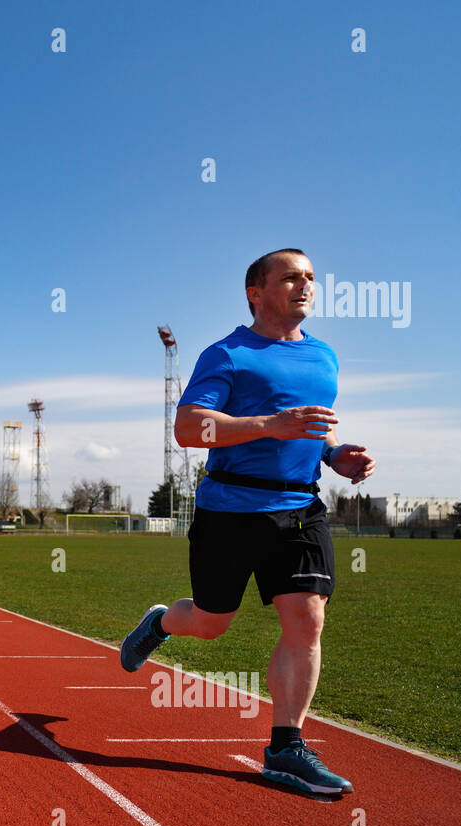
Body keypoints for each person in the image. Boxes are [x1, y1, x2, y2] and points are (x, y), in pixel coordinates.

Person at [120, 248, 375, 795]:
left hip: (302, 510)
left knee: (306, 621)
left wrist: (335, 455)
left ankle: (286, 748)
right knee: (212, 622)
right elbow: (189, 428)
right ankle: (162, 623)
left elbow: (307, 428)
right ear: (255, 292)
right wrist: (267, 425)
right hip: (230, 510)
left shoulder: (325, 356)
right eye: (289, 277)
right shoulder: (229, 354)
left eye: (310, 277)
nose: (304, 285)